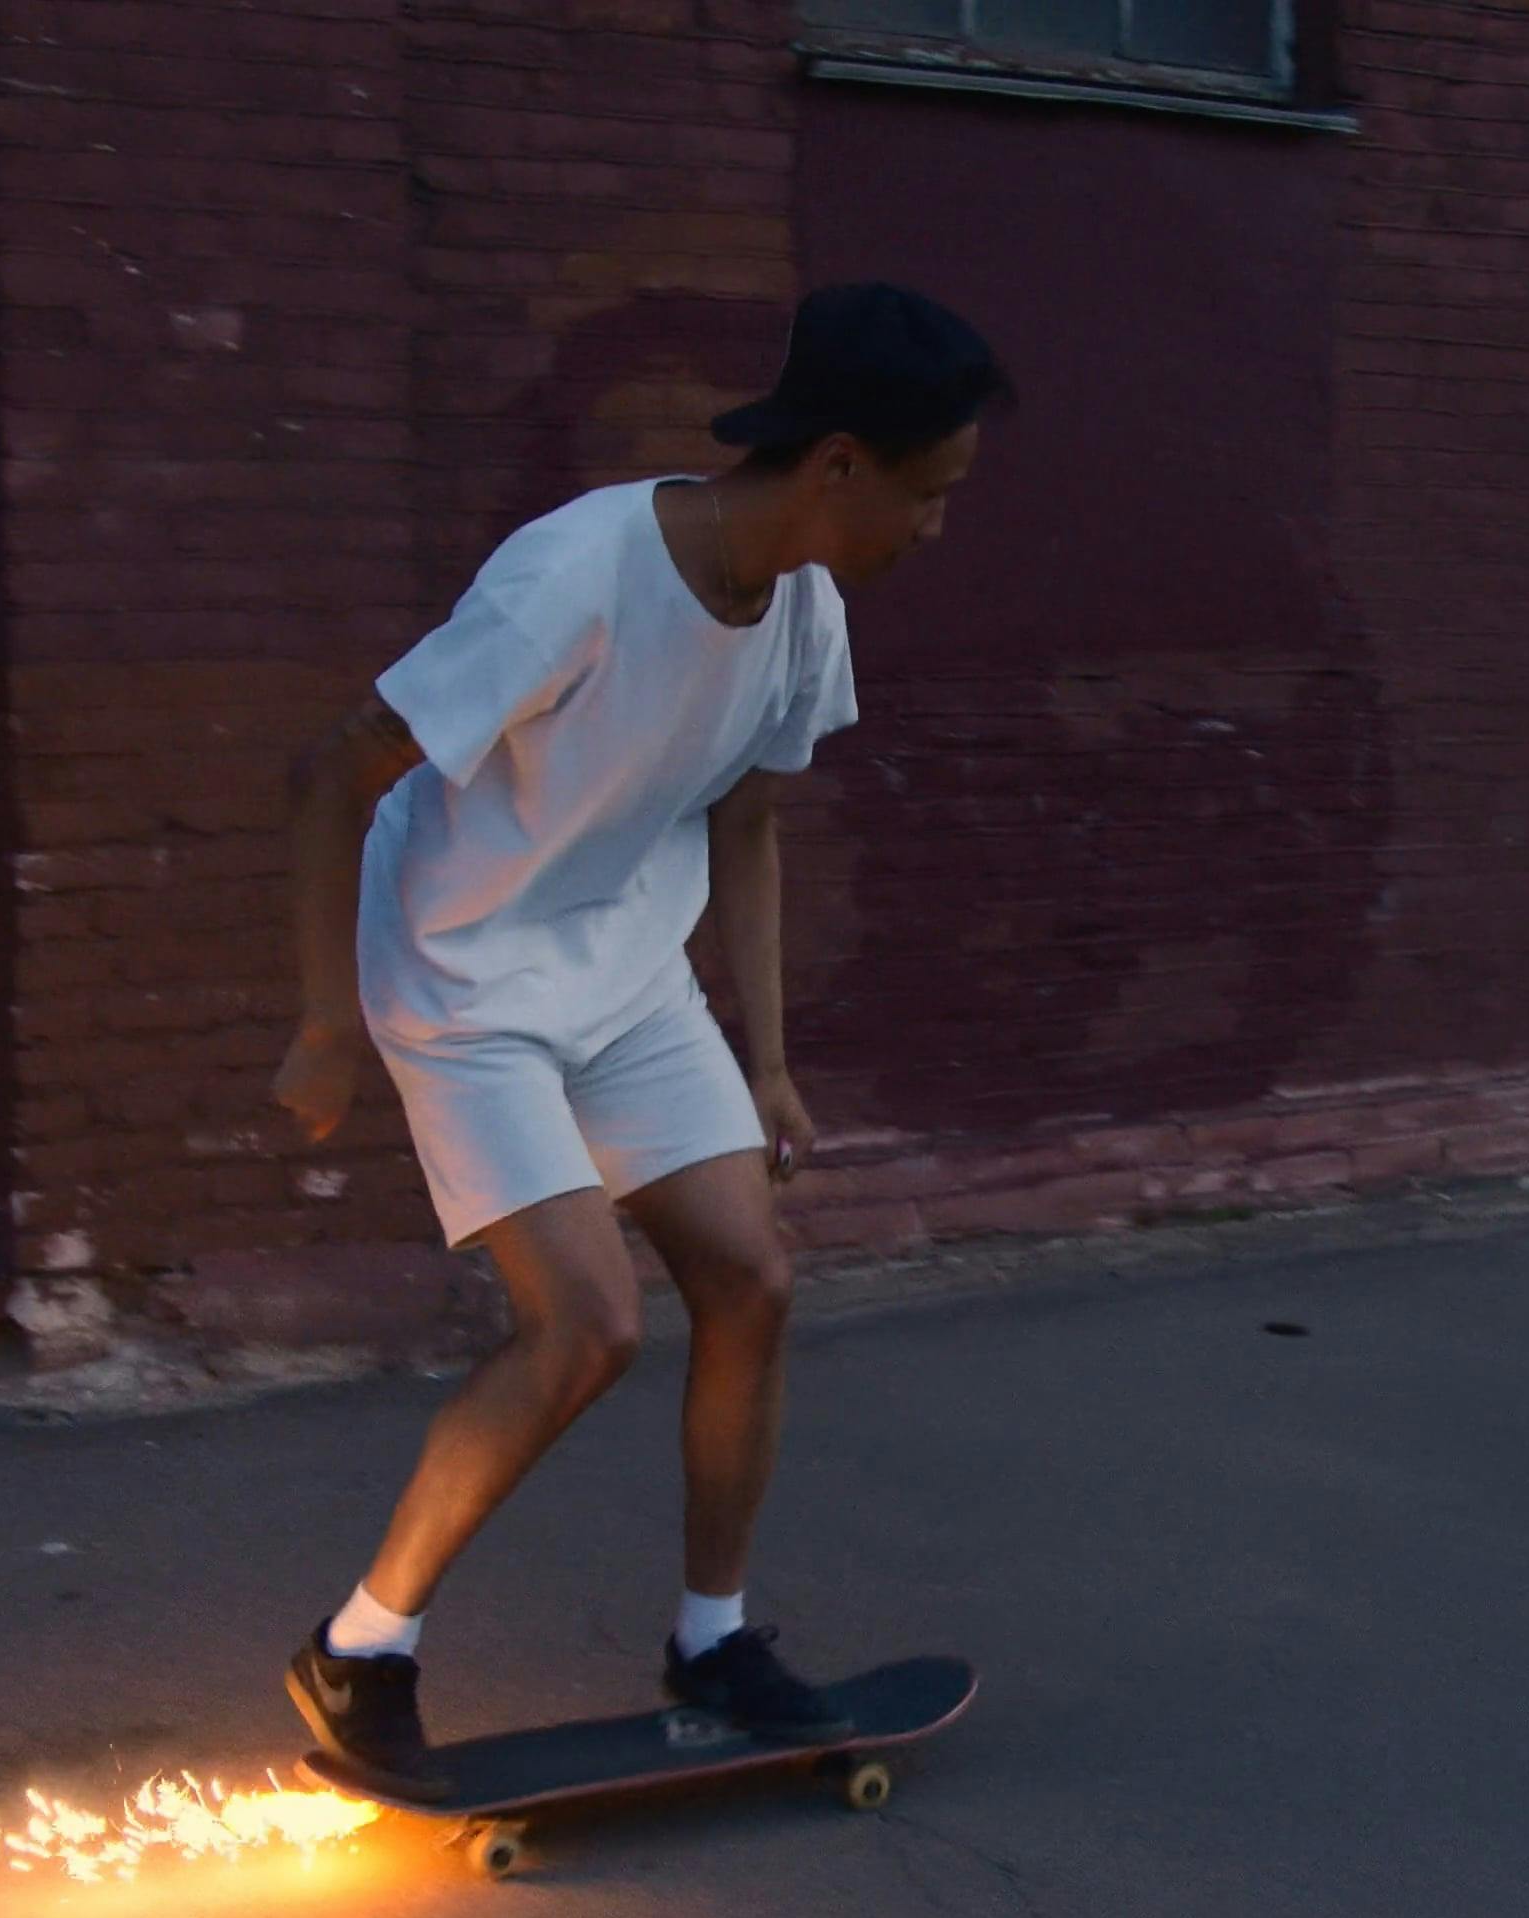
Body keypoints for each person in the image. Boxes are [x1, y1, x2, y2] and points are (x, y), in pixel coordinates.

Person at [270, 283, 1009, 1800]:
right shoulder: (576, 576)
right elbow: (335, 768)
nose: (937, 527)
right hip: (465, 974)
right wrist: (325, 1024)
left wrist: (769, 1058)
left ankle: (714, 1641)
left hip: (624, 966)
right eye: (929, 493)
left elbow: (746, 822)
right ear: (839, 465)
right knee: (587, 1327)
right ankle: (361, 1649)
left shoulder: (805, 607)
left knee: (752, 1278)